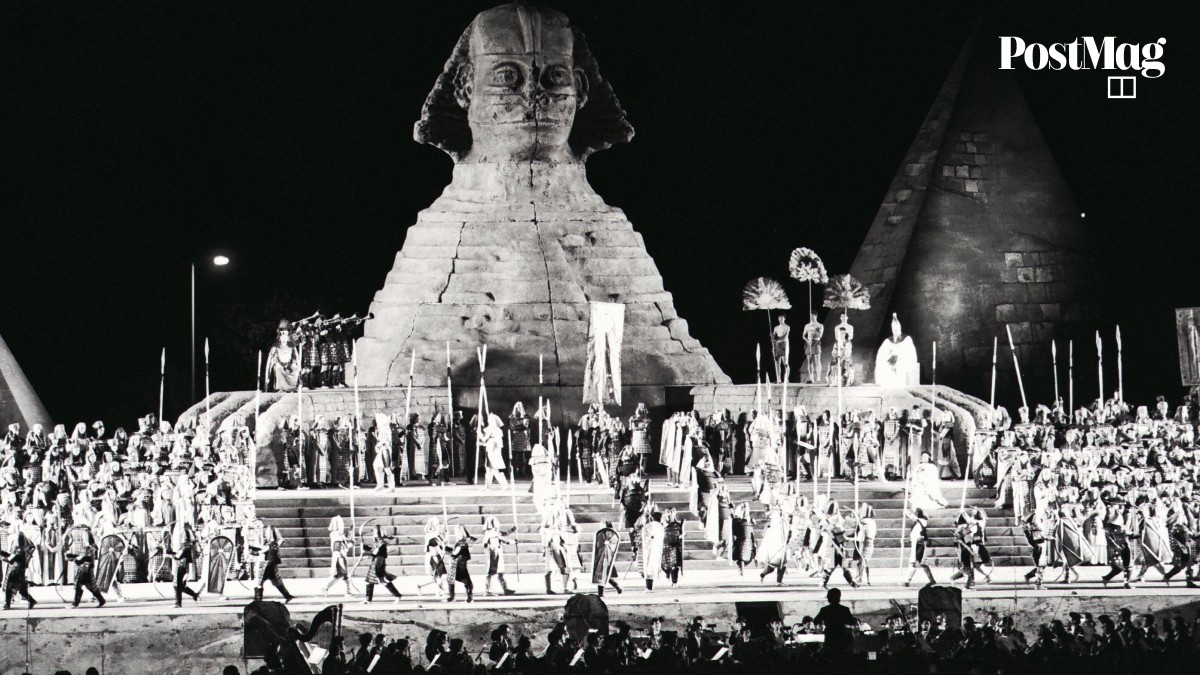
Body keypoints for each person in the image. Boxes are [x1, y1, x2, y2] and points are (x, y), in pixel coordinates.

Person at [874, 313, 919, 387]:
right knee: (883, 367)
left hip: (902, 363)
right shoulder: (887, 341)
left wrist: (898, 357)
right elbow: (881, 355)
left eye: (897, 330)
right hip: (890, 365)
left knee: (900, 368)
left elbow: (911, 354)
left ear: (900, 329)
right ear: (892, 330)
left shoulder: (907, 339)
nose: (896, 332)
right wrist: (889, 358)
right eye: (894, 331)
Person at [363, 526, 403, 603]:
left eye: (374, 532)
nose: (373, 534)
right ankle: (368, 599)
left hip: (378, 564)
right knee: (369, 581)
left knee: (382, 581)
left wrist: (367, 554)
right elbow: (373, 550)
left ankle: (397, 595)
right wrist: (365, 547)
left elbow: (375, 553)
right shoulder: (378, 542)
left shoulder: (381, 544)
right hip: (376, 563)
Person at [813, 588, 857, 655]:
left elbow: (816, 621)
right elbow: (851, 622)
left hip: (829, 635)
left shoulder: (824, 610)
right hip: (841, 635)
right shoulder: (844, 609)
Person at [482, 516, 517, 596]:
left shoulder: (493, 533)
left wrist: (512, 530)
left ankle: (505, 589)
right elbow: (504, 540)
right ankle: (487, 591)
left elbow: (504, 534)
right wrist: (513, 542)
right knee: (491, 573)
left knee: (500, 572)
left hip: (496, 553)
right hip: (493, 554)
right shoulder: (491, 533)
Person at [903, 508, 937, 587]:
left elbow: (914, 518)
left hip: (920, 544)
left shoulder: (922, 521)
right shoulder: (916, 524)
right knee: (915, 562)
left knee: (919, 562)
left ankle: (907, 581)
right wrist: (907, 541)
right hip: (916, 544)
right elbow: (914, 536)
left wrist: (907, 512)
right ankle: (907, 581)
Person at [69, 542, 106, 608]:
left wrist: (76, 560)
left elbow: (84, 561)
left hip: (85, 571)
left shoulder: (88, 555)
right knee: (89, 587)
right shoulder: (86, 554)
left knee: (82, 586)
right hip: (84, 570)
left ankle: (75, 604)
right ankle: (101, 600)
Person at [444, 524, 474, 602]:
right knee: (464, 580)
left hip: (458, 564)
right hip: (460, 563)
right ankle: (468, 597)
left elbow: (455, 553)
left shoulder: (462, 542)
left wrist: (448, 551)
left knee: (461, 580)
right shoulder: (462, 542)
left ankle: (453, 597)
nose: (454, 532)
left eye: (456, 531)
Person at [480, 414, 508, 490]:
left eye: (489, 419)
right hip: (492, 450)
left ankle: (504, 484)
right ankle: (488, 487)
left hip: (493, 451)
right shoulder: (497, 430)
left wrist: (479, 434)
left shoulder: (492, 430)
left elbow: (484, 439)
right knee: (488, 469)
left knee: (493, 469)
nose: (488, 420)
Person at [802, 313, 824, 384]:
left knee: (817, 361)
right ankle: (811, 378)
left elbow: (820, 335)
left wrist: (814, 330)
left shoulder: (820, 325)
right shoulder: (807, 325)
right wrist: (807, 340)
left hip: (816, 342)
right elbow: (803, 336)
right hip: (809, 343)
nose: (812, 317)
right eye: (811, 316)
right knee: (809, 362)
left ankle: (818, 378)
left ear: (816, 316)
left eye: (813, 316)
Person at [771, 315, 790, 382]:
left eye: (782, 317)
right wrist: (772, 337)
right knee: (777, 363)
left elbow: (784, 337)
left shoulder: (787, 327)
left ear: (784, 318)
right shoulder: (776, 328)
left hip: (784, 344)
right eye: (779, 317)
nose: (780, 319)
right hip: (777, 345)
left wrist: (775, 338)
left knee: (785, 362)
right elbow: (774, 338)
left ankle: (786, 378)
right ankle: (778, 379)